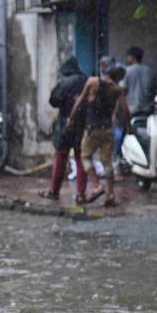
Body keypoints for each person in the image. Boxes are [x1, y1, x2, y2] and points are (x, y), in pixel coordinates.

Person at [66, 64, 131, 208]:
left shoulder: (92, 82)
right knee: (107, 162)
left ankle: (97, 186)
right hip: (108, 130)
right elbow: (126, 111)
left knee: (85, 157)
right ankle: (111, 195)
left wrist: (71, 118)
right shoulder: (116, 90)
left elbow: (80, 100)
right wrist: (129, 127)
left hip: (92, 129)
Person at [39, 56, 90, 203]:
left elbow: (53, 101)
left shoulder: (65, 83)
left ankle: (54, 191)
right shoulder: (86, 80)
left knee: (61, 157)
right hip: (83, 124)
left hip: (65, 124)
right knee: (81, 158)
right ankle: (81, 193)